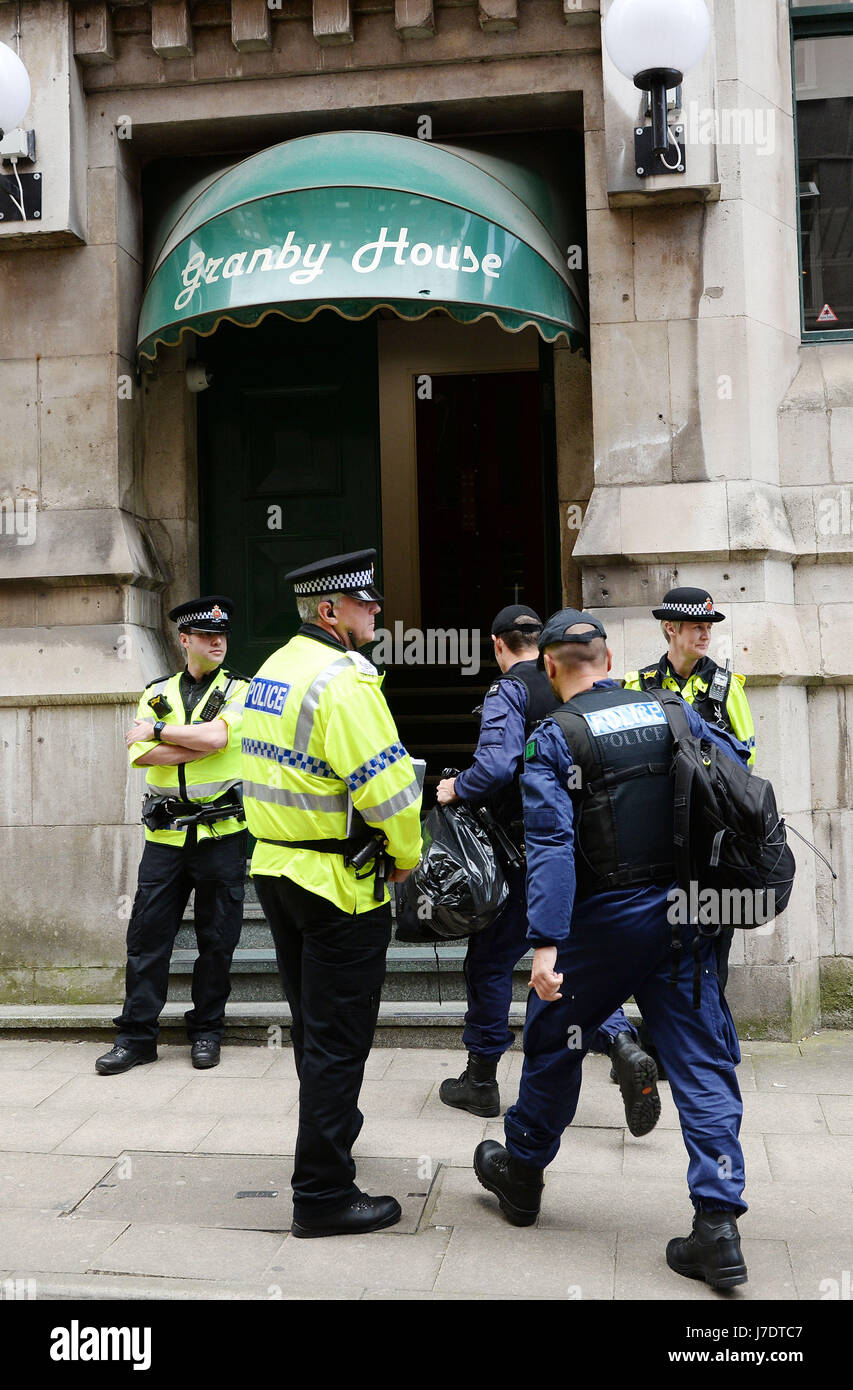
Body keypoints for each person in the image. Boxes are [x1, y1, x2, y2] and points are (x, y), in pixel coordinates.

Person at [473, 609, 752, 1291]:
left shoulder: (554, 738)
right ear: (608, 658)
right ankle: (717, 1228)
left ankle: (523, 1173)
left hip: (603, 924)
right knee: (699, 1058)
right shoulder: (672, 712)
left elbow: (550, 848)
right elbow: (739, 774)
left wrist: (544, 944)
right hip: (688, 915)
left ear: (548, 668)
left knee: (554, 1038)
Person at [241, 549, 423, 1238]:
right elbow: (389, 790)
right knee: (339, 1041)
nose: (376, 609)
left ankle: (335, 1126)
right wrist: (406, 857)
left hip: (277, 871)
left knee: (314, 1028)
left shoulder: (271, 670)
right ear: (329, 612)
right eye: (364, 602)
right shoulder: (343, 681)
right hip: (338, 885)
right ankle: (320, 1193)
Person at [436, 604, 660, 1137]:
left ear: (497, 645)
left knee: (489, 962)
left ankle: (482, 1077)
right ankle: (623, 1042)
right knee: (576, 968)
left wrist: (456, 787)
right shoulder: (595, 693)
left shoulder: (508, 691)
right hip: (592, 855)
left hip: (527, 852)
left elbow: (496, 764)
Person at [96, 596, 249, 1076]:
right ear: (185, 640)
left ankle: (207, 1032)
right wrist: (193, 741)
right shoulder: (155, 690)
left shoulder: (244, 689)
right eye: (206, 635)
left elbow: (220, 740)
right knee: (146, 938)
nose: (217, 641)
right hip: (164, 837)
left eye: (221, 634)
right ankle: (137, 1037)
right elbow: (140, 757)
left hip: (222, 834)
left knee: (217, 939)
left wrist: (162, 732)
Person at [623, 587, 756, 995]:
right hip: (656, 836)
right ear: (670, 628)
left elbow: (746, 761)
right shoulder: (637, 684)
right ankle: (662, 1038)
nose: (705, 634)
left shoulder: (726, 686)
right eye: (696, 626)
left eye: (708, 627)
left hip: (710, 837)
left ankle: (713, 1036)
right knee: (656, 937)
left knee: (714, 939)